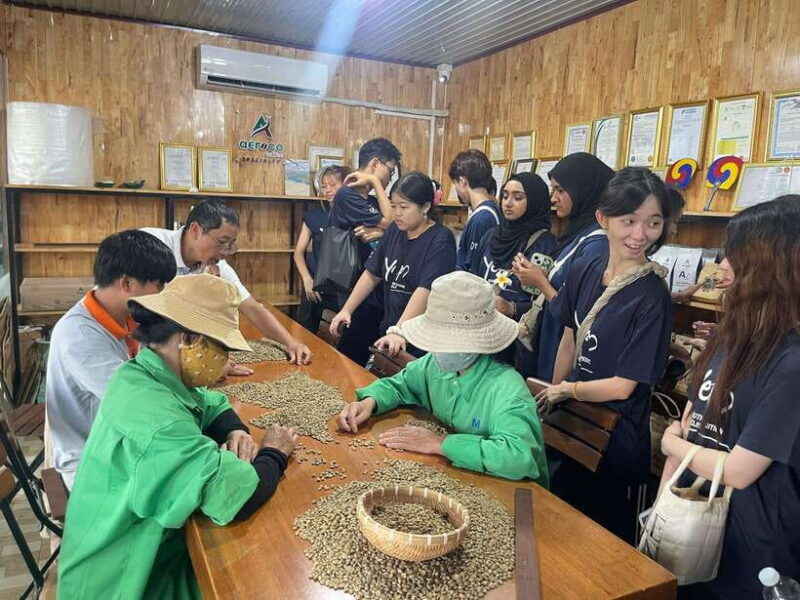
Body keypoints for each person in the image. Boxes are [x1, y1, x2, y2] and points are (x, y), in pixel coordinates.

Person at [57, 274, 298, 599]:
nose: (226, 361)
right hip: (125, 580)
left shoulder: (147, 373)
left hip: (145, 547)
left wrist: (234, 429)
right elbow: (238, 496)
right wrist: (275, 452)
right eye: (222, 348)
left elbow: (210, 402)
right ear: (187, 338)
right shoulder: (156, 418)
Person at [659, 196, 800, 600]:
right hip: (693, 532)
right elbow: (691, 423)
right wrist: (659, 511)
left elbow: (739, 471)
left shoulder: (791, 363)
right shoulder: (730, 337)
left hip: (751, 558)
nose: (721, 267)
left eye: (732, 256)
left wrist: (671, 444)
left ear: (769, 267)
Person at [535, 167, 673, 542]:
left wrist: (568, 391)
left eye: (653, 223)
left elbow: (624, 386)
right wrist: (554, 389)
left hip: (617, 441)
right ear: (603, 219)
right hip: (574, 427)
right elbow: (568, 337)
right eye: (629, 221)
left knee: (601, 544)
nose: (640, 235)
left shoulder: (651, 295)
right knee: (557, 527)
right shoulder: (586, 267)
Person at [338, 271, 548, 485]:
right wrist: (369, 402)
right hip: (460, 478)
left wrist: (441, 444)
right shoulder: (433, 365)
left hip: (515, 493)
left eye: (449, 341)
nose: (440, 350)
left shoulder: (508, 389)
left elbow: (518, 457)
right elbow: (400, 385)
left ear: (478, 341)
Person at [46, 230, 176, 490]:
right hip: (90, 461)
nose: (163, 293)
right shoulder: (80, 337)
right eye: (158, 285)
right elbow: (139, 403)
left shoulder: (122, 316)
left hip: (117, 441)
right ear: (126, 284)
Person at [141, 199, 311, 365]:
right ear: (195, 230)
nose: (225, 252)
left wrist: (291, 343)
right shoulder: (152, 245)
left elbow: (252, 308)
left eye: (230, 245)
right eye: (222, 242)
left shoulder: (217, 265)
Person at [511, 152, 614, 380]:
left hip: (564, 350)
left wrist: (540, 281)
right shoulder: (577, 234)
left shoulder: (596, 244)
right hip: (551, 341)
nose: (553, 198)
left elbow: (577, 312)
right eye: (552, 190)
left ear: (583, 190)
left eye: (560, 190)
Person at [329, 172, 456, 357]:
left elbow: (425, 290)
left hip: (419, 341)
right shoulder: (395, 231)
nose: (396, 213)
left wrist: (399, 330)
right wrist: (347, 309)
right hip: (391, 333)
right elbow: (372, 274)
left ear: (425, 207)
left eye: (404, 207)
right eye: (393, 205)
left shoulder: (441, 239)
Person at [468, 173, 556, 371]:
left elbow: (548, 305)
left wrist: (512, 307)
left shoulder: (545, 244)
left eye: (518, 198)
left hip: (516, 346)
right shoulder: (491, 236)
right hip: (480, 337)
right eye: (505, 195)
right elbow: (473, 277)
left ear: (533, 201)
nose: (508, 203)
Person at [329, 137, 402, 364]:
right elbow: (392, 220)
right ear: (374, 164)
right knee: (354, 352)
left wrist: (380, 232)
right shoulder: (346, 195)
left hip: (372, 287)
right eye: (389, 171)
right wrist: (376, 181)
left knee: (364, 348)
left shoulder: (368, 199)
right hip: (356, 286)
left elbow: (391, 226)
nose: (390, 179)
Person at [294, 165, 349, 333]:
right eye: (324, 186)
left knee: (339, 337)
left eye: (333, 185)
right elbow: (298, 252)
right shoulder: (315, 216)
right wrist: (307, 280)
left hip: (344, 292)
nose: (328, 190)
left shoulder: (355, 215)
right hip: (315, 288)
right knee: (305, 333)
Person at [448, 149, 500, 271]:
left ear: (462, 182)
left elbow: (473, 269)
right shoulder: (490, 211)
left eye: (455, 183)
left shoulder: (482, 218)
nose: (456, 188)